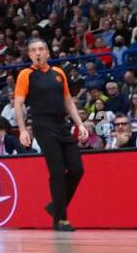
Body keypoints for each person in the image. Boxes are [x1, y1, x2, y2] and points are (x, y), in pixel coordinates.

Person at [14, 39, 88, 231]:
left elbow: (68, 101)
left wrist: (80, 124)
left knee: (77, 169)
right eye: (33, 50)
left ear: (47, 52)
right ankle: (61, 219)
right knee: (56, 171)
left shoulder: (59, 73)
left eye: (40, 49)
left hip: (62, 125)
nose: (37, 53)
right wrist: (22, 129)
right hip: (42, 125)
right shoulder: (26, 74)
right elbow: (18, 104)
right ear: (29, 55)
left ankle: (55, 207)